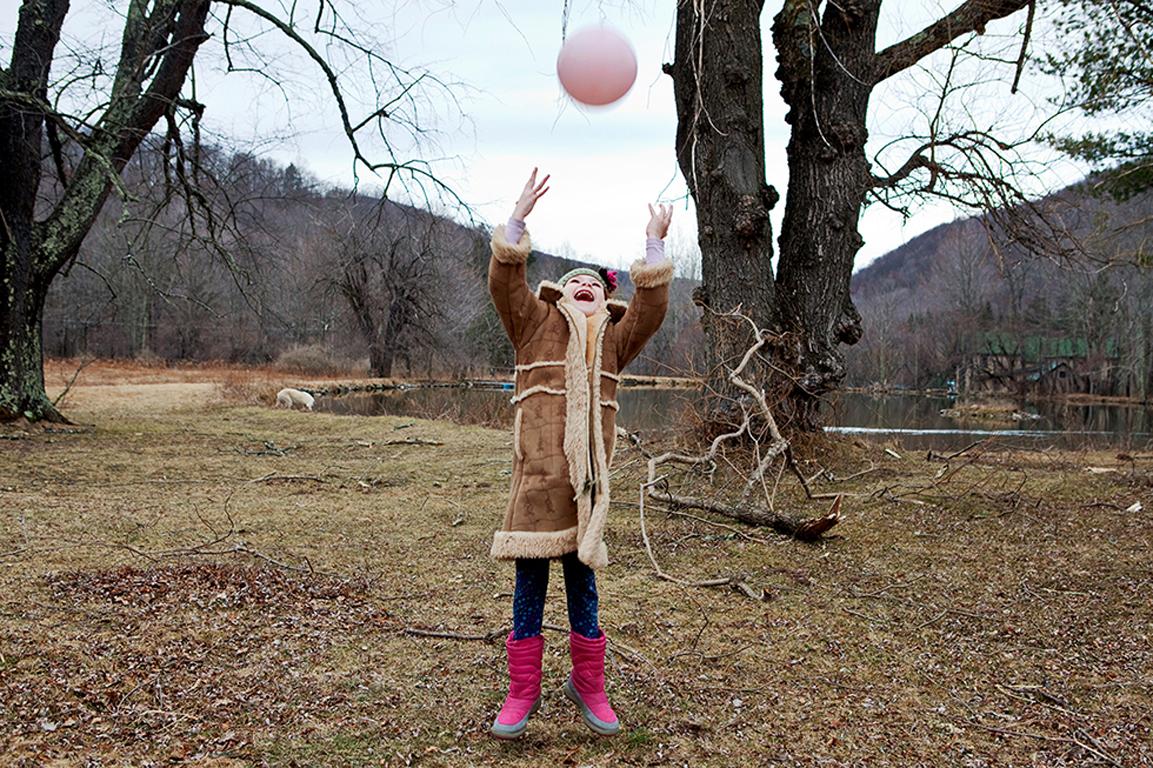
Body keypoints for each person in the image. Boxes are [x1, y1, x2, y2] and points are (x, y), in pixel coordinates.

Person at [487, 168, 673, 739]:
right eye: (574, 281)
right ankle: (522, 691)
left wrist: (654, 244)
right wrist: (516, 221)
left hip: (587, 488)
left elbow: (651, 308)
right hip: (537, 483)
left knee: (583, 585)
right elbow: (504, 284)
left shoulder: (613, 338)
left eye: (594, 282)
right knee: (529, 586)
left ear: (604, 296)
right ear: (560, 293)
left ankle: (589, 684)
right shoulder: (534, 323)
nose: (585, 285)